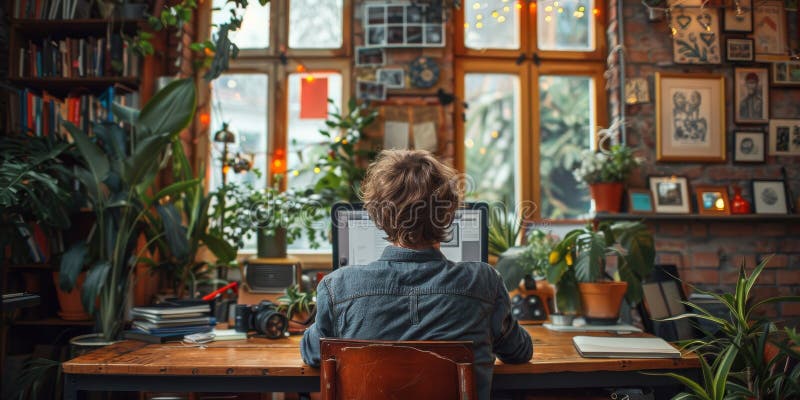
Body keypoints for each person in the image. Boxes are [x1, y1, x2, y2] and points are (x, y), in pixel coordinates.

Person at [301, 149, 532, 399]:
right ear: (447, 213)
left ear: (377, 215)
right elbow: (519, 352)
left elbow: (312, 353)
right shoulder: (484, 282)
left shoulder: (338, 288)